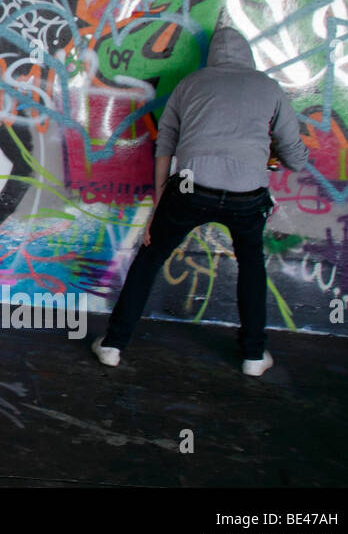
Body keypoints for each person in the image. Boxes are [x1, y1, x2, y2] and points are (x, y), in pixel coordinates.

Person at [92, 26, 308, 377]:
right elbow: (296, 156)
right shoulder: (268, 87)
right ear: (247, 54)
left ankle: (113, 345)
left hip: (191, 185)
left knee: (149, 259)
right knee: (251, 265)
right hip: (248, 193)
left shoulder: (190, 84)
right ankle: (254, 356)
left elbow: (165, 147)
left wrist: (159, 206)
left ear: (212, 56)